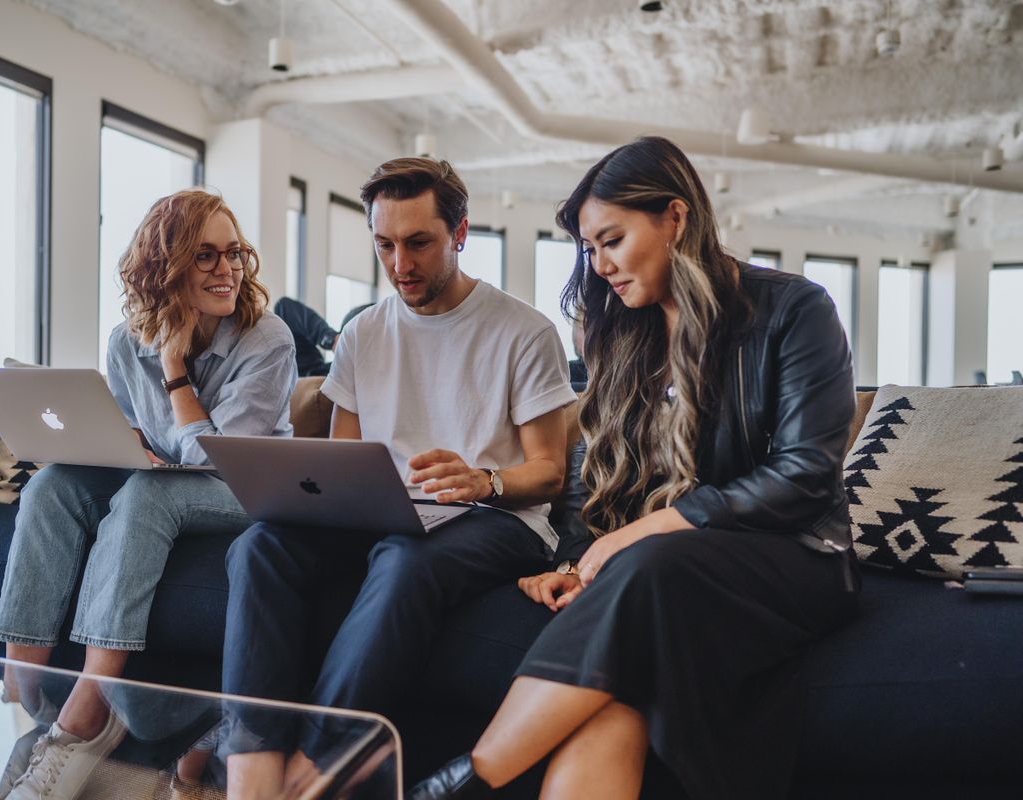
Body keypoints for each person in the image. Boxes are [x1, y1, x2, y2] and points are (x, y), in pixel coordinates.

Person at [408, 136, 860, 800]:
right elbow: (600, 479)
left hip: (796, 555)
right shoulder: (628, 333)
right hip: (665, 573)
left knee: (648, 564)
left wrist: (645, 534)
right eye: (590, 250)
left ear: (676, 218)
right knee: (612, 700)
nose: (602, 265)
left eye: (612, 240)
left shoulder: (793, 310)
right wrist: (575, 558)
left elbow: (805, 476)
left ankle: (469, 781)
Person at [220, 157, 577, 798]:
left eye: (419, 243)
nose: (400, 264)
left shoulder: (526, 331)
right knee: (260, 546)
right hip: (387, 508)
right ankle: (252, 768)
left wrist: (484, 481)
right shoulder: (363, 333)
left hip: (497, 518)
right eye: (385, 244)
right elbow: (342, 460)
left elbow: (549, 474)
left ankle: (317, 769)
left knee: (405, 556)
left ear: (460, 233)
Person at [0, 189, 296, 800]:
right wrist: (110, 443)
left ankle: (89, 712)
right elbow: (135, 428)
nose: (227, 269)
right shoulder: (126, 339)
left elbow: (214, 461)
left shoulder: (268, 340)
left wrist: (176, 369)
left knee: (147, 497)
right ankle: (24, 687)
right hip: (164, 475)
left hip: (245, 488)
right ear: (166, 266)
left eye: (233, 253)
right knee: (52, 486)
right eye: (204, 255)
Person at [273, 296, 338, 376]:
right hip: (312, 380)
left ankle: (332, 340)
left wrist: (332, 340)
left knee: (282, 307)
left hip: (316, 371)